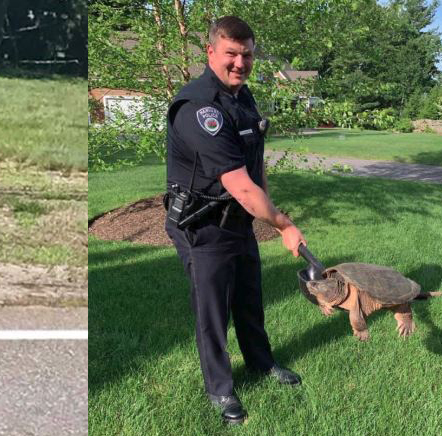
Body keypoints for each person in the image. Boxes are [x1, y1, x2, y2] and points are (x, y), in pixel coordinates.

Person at [164, 16, 305, 424]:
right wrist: (283, 224)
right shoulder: (199, 107)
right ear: (210, 52)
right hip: (202, 227)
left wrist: (270, 210)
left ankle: (261, 363)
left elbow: (254, 171)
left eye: (247, 54)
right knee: (212, 312)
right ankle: (221, 391)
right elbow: (239, 185)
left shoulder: (242, 99)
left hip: (237, 222)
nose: (240, 62)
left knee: (249, 298)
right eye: (231, 53)